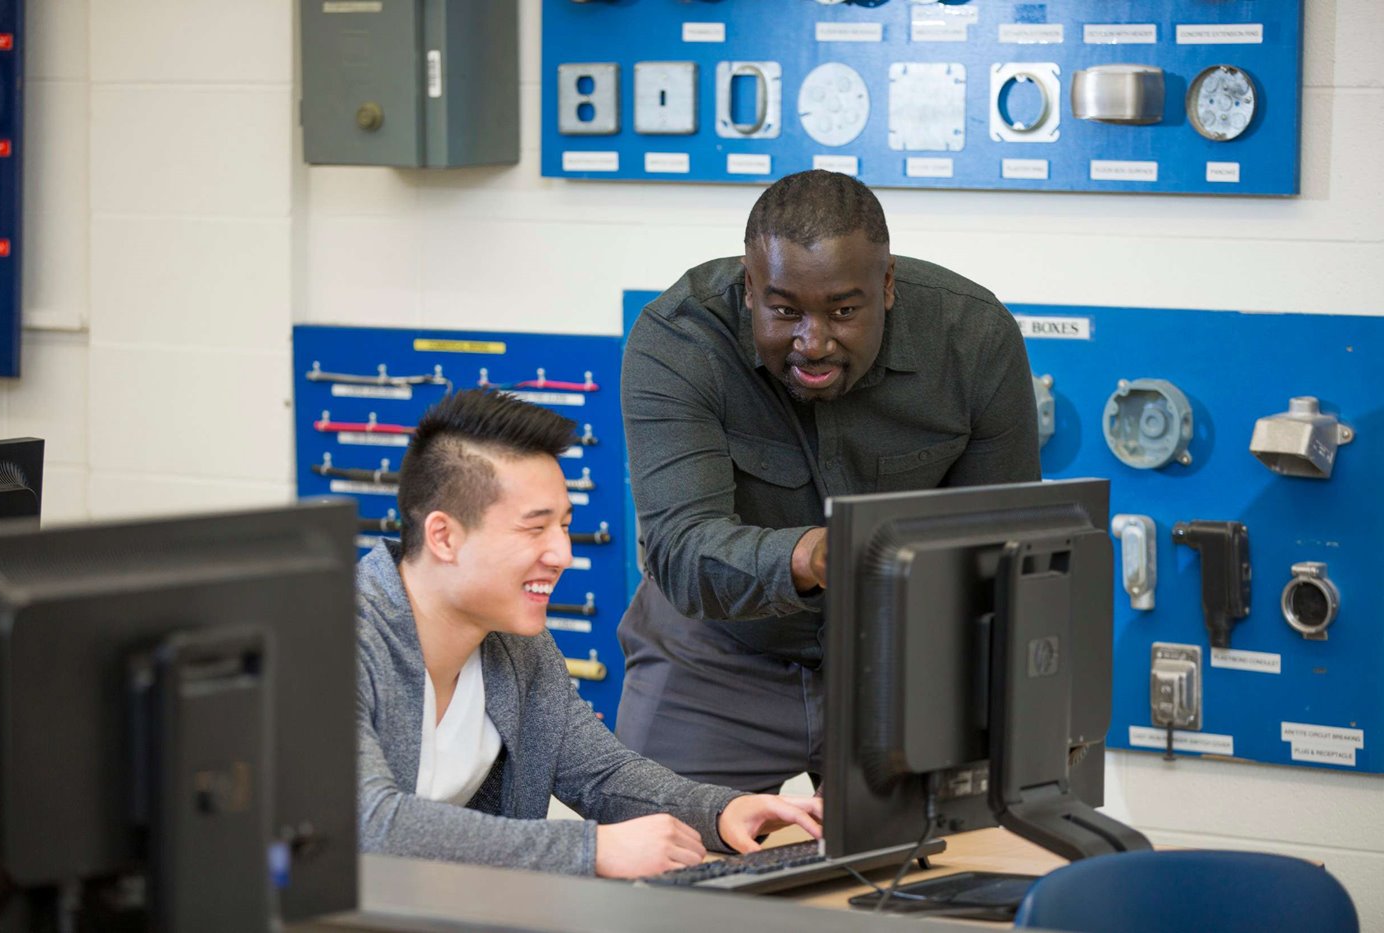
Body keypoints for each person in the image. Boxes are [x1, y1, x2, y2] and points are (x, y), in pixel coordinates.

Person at [616, 170, 1042, 792]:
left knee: (929, 875)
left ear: (888, 285)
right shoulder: (679, 340)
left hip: (897, 658)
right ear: (748, 286)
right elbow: (679, 552)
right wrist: (811, 555)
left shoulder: (972, 341)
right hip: (714, 653)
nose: (812, 343)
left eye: (843, 311)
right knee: (657, 867)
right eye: (784, 311)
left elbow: (1003, 550)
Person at [356, 387, 822, 878]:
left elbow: (602, 774)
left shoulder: (518, 646)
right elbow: (366, 823)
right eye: (535, 529)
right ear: (443, 536)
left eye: (564, 525)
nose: (561, 554)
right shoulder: (332, 642)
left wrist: (720, 811)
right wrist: (589, 849)